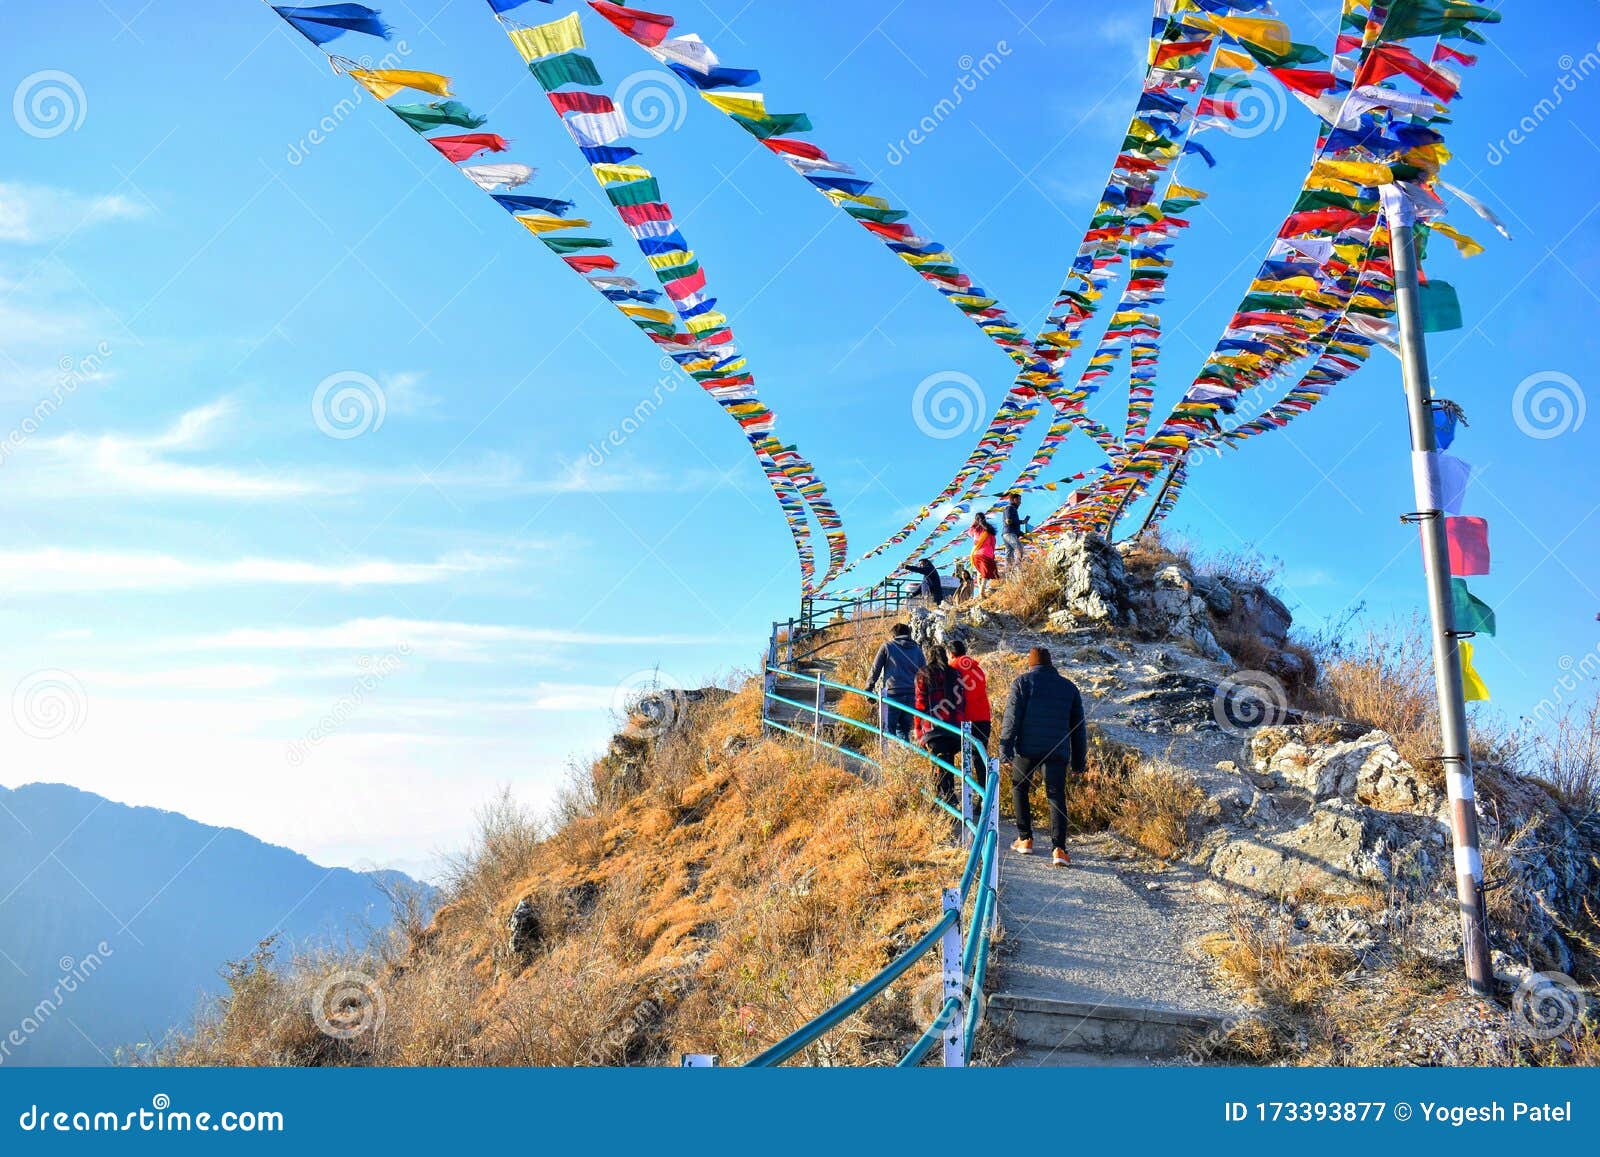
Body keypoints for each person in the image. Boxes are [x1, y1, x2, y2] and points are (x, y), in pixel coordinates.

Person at [999, 647, 1088, 867]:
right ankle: (1059, 849)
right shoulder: (1069, 688)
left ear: (1031, 664)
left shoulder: (1022, 683)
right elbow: (1079, 729)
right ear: (1051, 665)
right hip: (1057, 752)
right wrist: (1079, 762)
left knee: (1020, 787)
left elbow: (1011, 720)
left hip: (1027, 749)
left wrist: (1005, 751)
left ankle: (1025, 838)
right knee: (1056, 796)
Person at [913, 644, 965, 814]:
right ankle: (944, 798)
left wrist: (918, 730)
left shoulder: (924, 674)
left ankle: (943, 798)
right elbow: (961, 701)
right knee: (946, 760)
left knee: (938, 761)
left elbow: (920, 705)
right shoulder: (956, 674)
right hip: (955, 727)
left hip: (934, 727)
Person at [865, 623, 926, 742]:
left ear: (893, 635)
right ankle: (903, 758)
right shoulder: (917, 650)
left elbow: (875, 669)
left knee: (888, 730)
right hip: (911, 695)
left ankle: (889, 758)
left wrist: (868, 690)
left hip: (892, 695)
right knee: (904, 731)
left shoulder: (887, 646)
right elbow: (924, 674)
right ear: (908, 634)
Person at [947, 639, 992, 759]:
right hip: (983, 717)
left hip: (964, 719)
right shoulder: (977, 668)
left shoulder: (952, 667)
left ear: (951, 654)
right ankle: (984, 778)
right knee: (980, 758)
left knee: (951, 754)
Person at [969, 512, 999, 599]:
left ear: (976, 520)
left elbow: (969, 533)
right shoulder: (990, 531)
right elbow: (993, 544)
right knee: (985, 574)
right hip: (986, 554)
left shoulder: (974, 530)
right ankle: (982, 591)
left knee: (979, 573)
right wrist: (992, 555)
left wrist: (974, 523)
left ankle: (980, 592)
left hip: (975, 555)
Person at [1001, 492, 1026, 568]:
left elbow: (1013, 524)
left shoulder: (1012, 508)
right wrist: (1021, 522)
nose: (1020, 502)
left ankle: (1009, 571)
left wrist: (1021, 533)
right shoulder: (1010, 508)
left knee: (1009, 554)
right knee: (1019, 548)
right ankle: (1018, 567)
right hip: (1009, 533)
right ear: (1014, 499)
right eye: (1019, 500)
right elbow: (1008, 521)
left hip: (1008, 533)